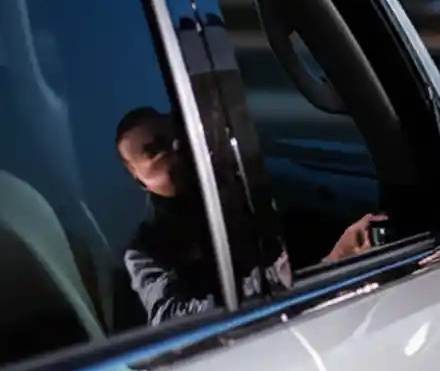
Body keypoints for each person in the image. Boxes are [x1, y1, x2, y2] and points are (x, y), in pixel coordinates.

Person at [115, 107, 384, 325]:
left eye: (175, 131)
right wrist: (314, 268)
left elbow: (320, 205)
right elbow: (173, 321)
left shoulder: (248, 182)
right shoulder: (147, 250)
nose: (174, 145)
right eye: (155, 149)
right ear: (138, 178)